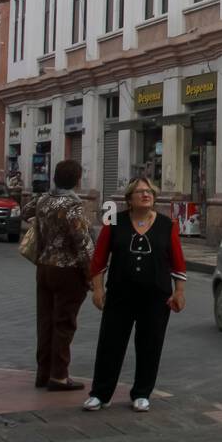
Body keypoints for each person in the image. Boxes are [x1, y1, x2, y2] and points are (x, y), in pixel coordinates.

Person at [83, 176, 186, 413]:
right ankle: (100, 393)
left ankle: (142, 393)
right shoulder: (115, 223)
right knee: (110, 343)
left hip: (156, 297)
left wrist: (179, 292)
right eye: (140, 191)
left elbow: (178, 263)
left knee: (150, 344)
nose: (146, 194)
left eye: (149, 191)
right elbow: (98, 260)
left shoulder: (166, 225)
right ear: (129, 199)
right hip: (120, 294)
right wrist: (98, 289)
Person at [34, 160, 94, 391]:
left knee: (45, 321)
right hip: (67, 270)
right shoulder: (72, 205)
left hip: (44, 267)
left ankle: (43, 372)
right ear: (77, 179)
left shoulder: (43, 200)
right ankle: (58, 375)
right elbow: (82, 241)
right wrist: (91, 273)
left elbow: (31, 220)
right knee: (64, 323)